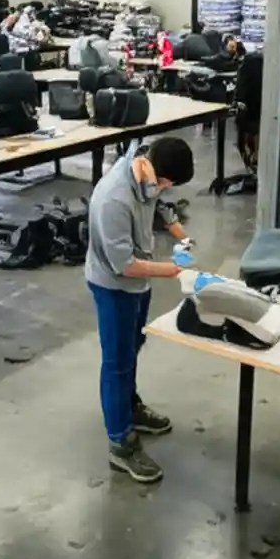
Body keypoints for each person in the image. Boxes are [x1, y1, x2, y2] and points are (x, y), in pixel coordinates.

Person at [86, 137, 196, 483]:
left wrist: (179, 233)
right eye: (165, 183)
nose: (164, 189)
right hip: (115, 286)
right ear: (153, 170)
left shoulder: (147, 169)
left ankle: (129, 408)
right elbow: (124, 266)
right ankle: (120, 443)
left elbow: (161, 204)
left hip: (139, 283)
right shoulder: (113, 200)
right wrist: (174, 270)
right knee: (117, 363)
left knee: (132, 350)